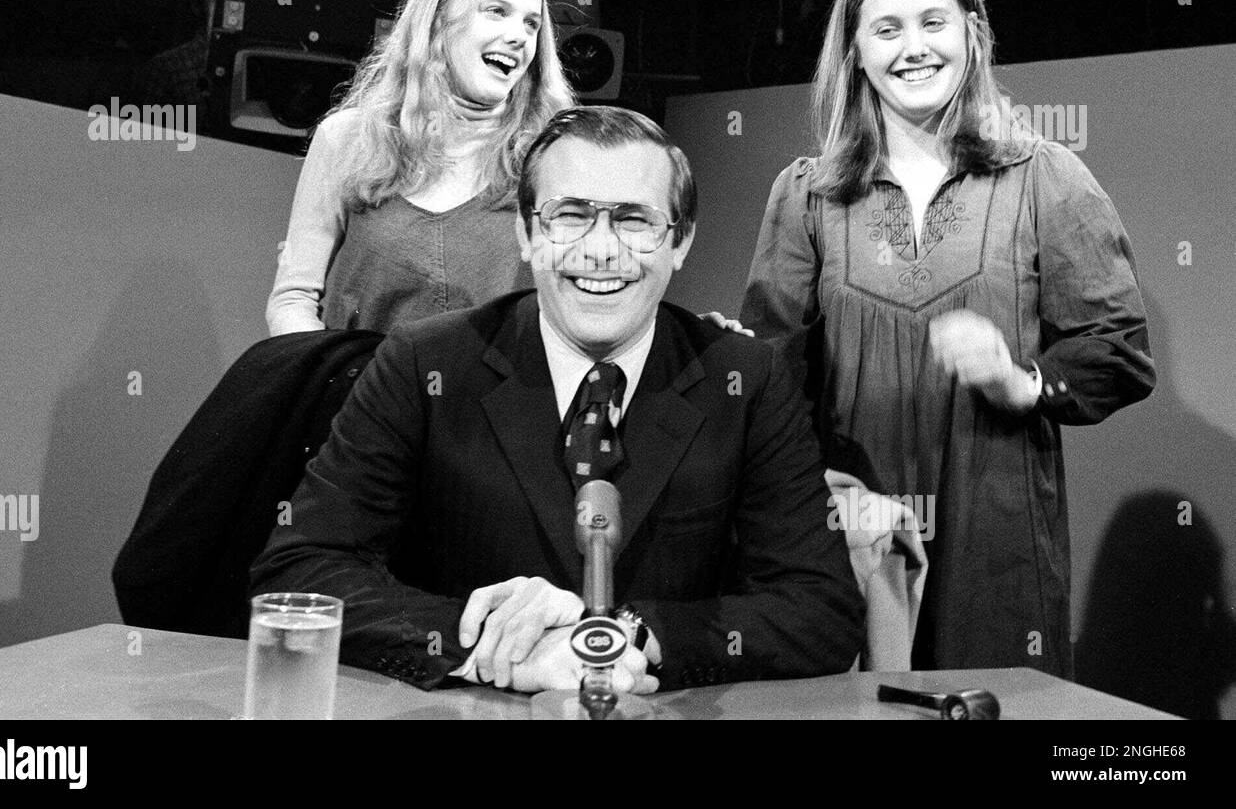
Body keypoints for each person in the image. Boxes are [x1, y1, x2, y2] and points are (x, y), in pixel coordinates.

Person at [252, 105, 864, 693]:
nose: (600, 250)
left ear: (679, 242)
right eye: (569, 216)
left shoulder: (746, 379)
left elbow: (822, 610)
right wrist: (496, 644)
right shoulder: (424, 363)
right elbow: (301, 568)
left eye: (634, 220)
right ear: (525, 234)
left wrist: (632, 633)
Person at [740, 0, 1155, 678]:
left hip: (996, 550)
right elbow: (771, 381)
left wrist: (1019, 381)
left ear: (971, 31)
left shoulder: (1045, 176)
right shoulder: (805, 194)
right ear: (856, 52)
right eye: (887, 29)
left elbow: (1117, 349)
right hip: (849, 543)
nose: (913, 48)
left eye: (933, 22)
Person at [265, 0, 574, 335]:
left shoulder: (551, 158)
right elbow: (293, 299)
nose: (519, 36)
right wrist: (340, 385)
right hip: (362, 392)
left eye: (531, 24)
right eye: (497, 12)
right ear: (438, 21)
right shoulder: (347, 140)